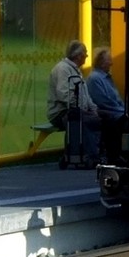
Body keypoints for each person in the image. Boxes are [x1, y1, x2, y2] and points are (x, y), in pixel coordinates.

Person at [47, 39, 102, 167]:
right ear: (78, 56)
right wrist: (83, 109)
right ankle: (90, 156)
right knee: (86, 120)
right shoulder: (63, 69)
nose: (87, 57)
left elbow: (85, 96)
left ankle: (99, 154)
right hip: (60, 112)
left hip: (74, 109)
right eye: (85, 54)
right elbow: (63, 94)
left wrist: (93, 109)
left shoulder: (75, 70)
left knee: (104, 116)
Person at [86, 46, 125, 162]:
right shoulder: (95, 79)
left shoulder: (106, 78)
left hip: (115, 110)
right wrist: (121, 111)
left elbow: (115, 99)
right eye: (109, 60)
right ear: (102, 62)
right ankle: (114, 155)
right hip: (106, 111)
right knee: (121, 121)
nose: (111, 63)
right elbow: (103, 101)